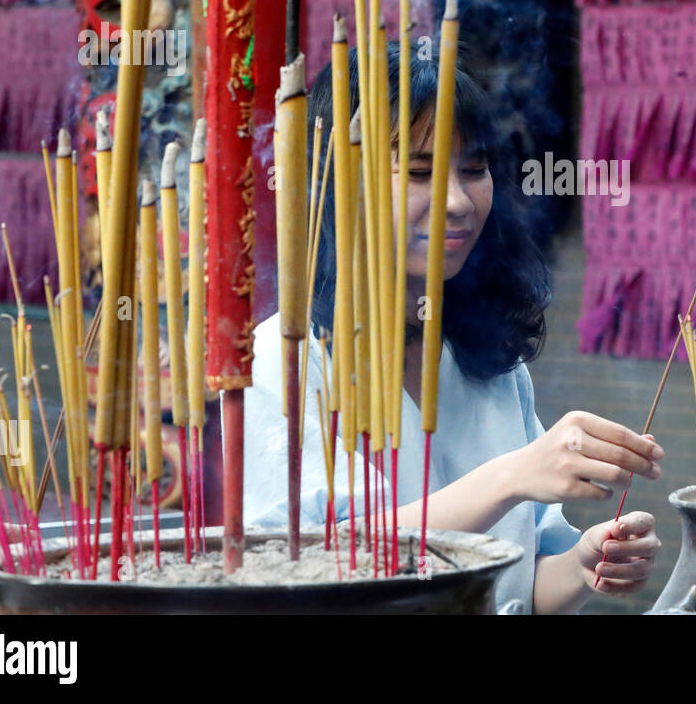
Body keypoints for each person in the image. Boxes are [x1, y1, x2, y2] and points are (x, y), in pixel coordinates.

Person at [244, 44, 663, 613]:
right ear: (341, 184)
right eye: (420, 172)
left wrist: (584, 563)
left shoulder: (486, 354)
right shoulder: (284, 360)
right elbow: (317, 569)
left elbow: (518, 589)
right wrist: (513, 476)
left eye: (474, 169)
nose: (459, 202)